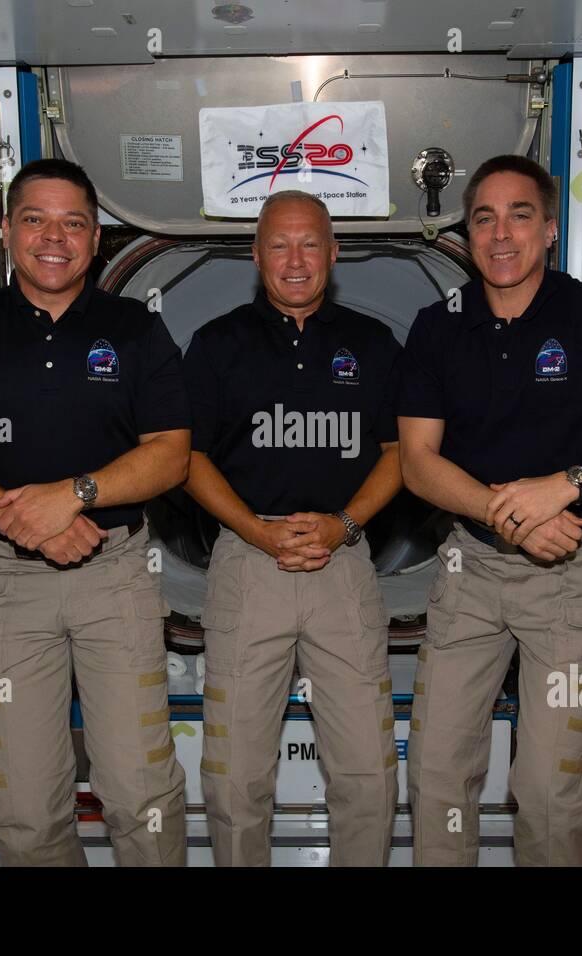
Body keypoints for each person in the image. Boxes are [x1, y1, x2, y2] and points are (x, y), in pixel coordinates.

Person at [397, 154, 582, 866]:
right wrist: (513, 513)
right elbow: (417, 462)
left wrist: (566, 486)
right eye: (484, 218)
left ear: (552, 229)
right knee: (436, 771)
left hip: (570, 577)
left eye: (520, 215)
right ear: (468, 235)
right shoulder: (436, 328)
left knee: (549, 788)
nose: (502, 234)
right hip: (469, 571)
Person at [0, 158, 188, 866]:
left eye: (74, 223)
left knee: (140, 791)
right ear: (5, 230)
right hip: (8, 586)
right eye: (35, 219)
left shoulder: (137, 329)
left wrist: (73, 495)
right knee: (23, 808)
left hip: (115, 578)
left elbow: (171, 453)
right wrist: (23, 518)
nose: (54, 237)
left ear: (95, 240)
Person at [181, 190, 403, 866]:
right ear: (256, 256)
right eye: (280, 244)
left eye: (311, 243)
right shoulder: (217, 345)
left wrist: (343, 525)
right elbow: (185, 459)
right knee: (235, 771)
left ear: (334, 254)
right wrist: (254, 529)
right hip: (250, 565)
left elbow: (400, 456)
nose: (296, 259)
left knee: (367, 770)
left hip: (344, 561)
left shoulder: (372, 343)